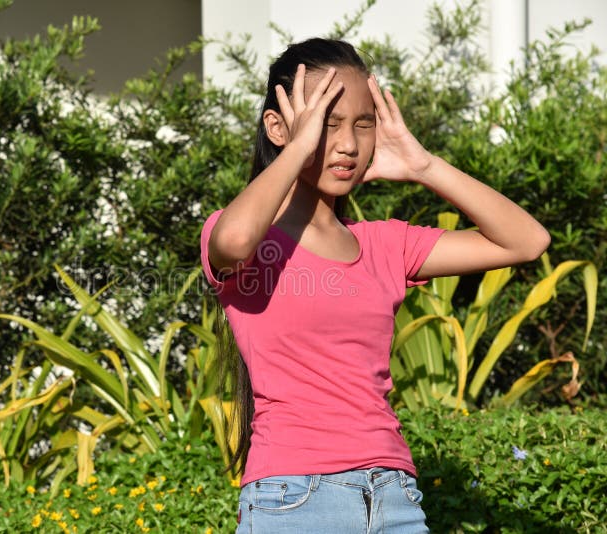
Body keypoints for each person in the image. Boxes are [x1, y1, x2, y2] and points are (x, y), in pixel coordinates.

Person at [199, 38, 550, 533]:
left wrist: (424, 167)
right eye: (326, 122)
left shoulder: (386, 245)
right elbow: (233, 241)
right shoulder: (247, 240)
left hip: (394, 499)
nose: (347, 143)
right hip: (293, 499)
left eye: (363, 123)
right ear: (277, 128)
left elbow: (527, 241)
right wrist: (299, 147)